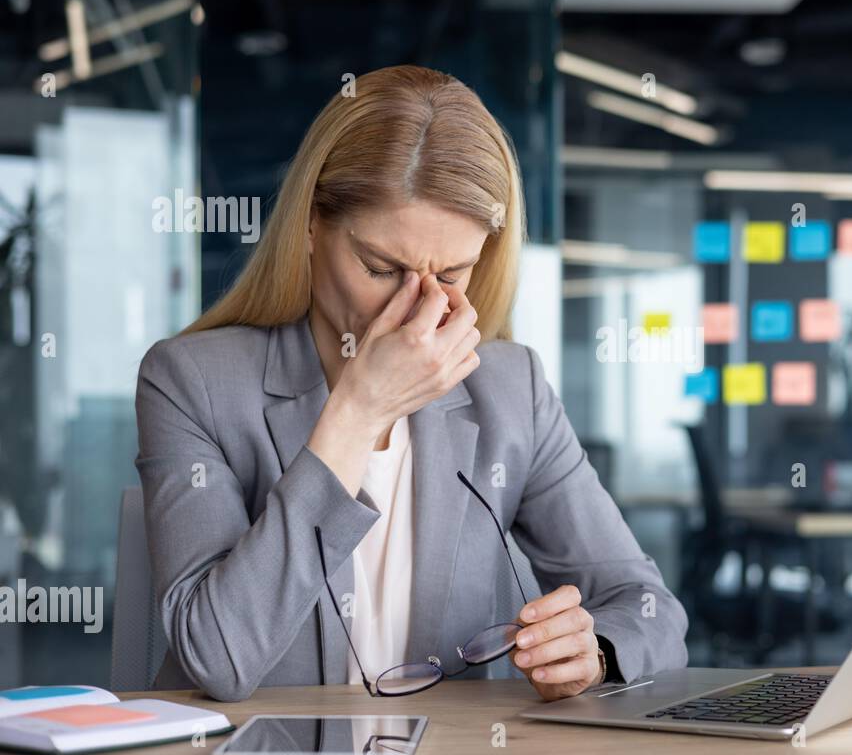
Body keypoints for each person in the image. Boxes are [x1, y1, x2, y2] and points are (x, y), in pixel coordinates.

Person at [135, 65, 689, 702]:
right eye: (381, 267)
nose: (418, 311)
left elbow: (650, 608)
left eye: (452, 273)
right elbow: (217, 657)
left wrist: (593, 650)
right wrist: (357, 414)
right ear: (309, 227)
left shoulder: (513, 391)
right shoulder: (190, 382)